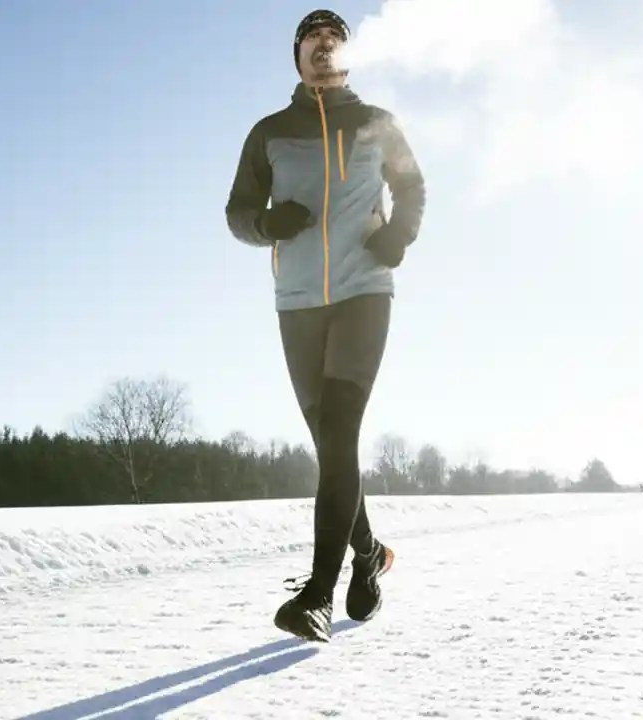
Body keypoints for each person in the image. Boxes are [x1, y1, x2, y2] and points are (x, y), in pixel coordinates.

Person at [224, 8, 426, 642]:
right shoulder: (268, 133)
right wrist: (266, 225)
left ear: (346, 56)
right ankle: (368, 554)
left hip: (365, 292)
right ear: (296, 56)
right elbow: (235, 213)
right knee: (331, 447)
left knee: (339, 429)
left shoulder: (376, 123)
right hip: (298, 302)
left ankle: (317, 593)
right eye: (312, 39)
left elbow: (413, 187)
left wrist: (398, 234)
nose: (322, 47)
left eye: (334, 39)